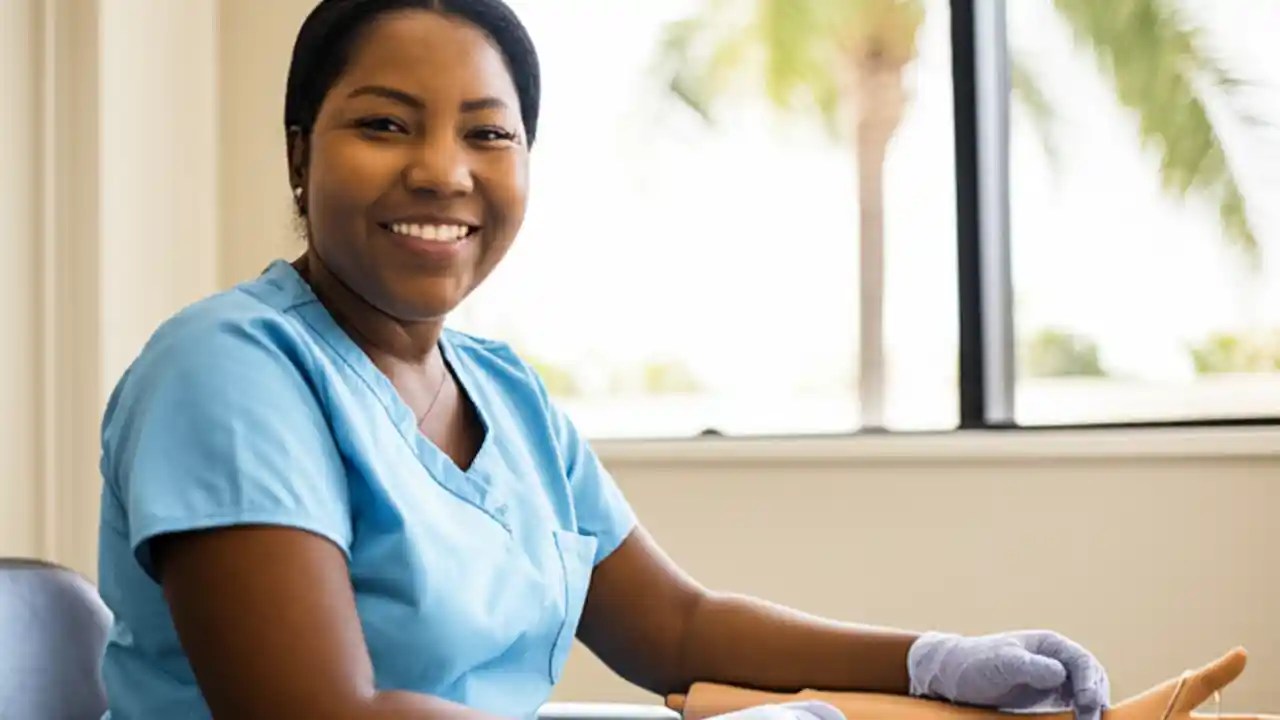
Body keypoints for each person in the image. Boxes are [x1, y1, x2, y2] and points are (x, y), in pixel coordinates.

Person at [95, 1, 1112, 719]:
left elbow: (674, 628)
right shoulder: (227, 371)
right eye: (383, 125)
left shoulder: (503, 393)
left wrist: (930, 661)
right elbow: (316, 713)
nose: (443, 170)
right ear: (298, 155)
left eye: (487, 134)